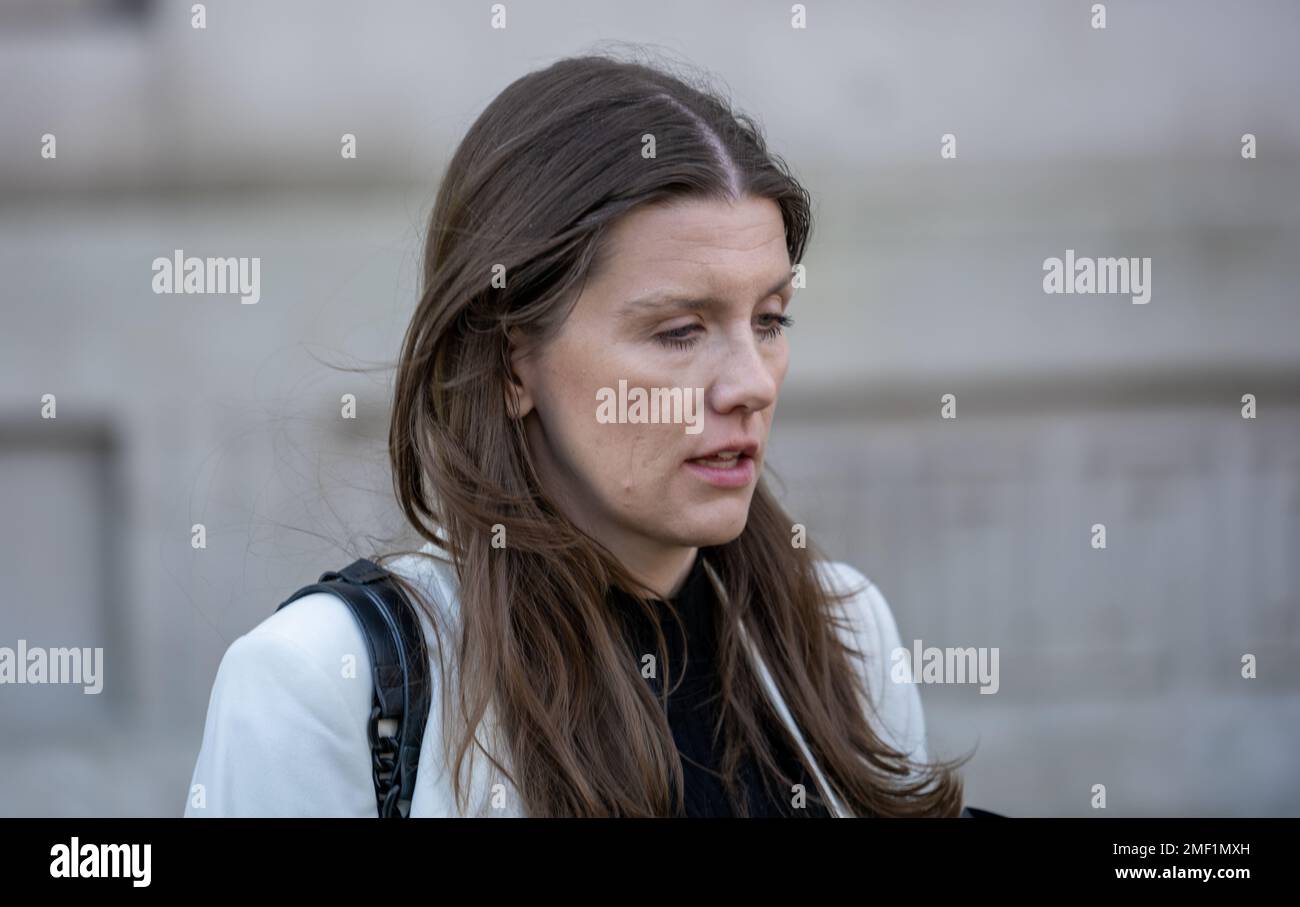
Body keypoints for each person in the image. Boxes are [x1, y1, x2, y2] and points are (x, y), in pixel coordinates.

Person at [184, 52, 967, 818]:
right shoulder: (325, 681)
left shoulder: (842, 631)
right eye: (680, 331)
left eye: (770, 319)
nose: (753, 382)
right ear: (513, 359)